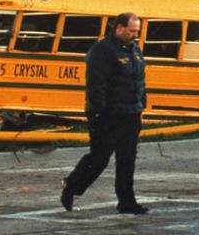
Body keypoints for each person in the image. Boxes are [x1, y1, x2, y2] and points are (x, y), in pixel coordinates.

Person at [60, 12, 148, 214]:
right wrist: (100, 112)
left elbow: (139, 80)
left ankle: (127, 202)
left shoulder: (134, 49)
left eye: (137, 31)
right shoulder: (102, 50)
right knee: (99, 158)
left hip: (130, 113)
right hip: (108, 114)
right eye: (132, 31)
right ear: (119, 28)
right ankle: (71, 186)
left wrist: (141, 105)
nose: (135, 35)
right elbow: (95, 84)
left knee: (127, 160)